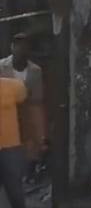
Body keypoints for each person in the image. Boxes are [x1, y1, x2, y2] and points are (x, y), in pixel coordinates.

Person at [0, 35, 42, 175]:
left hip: (26, 114)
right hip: (6, 114)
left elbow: (37, 97)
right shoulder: (1, 67)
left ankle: (25, 172)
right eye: (17, 46)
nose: (20, 49)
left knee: (26, 146)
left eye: (24, 46)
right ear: (12, 47)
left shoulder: (35, 71)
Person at [1, 71, 25, 208]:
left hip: (10, 148)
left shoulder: (13, 86)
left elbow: (25, 99)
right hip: (10, 149)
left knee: (15, 191)